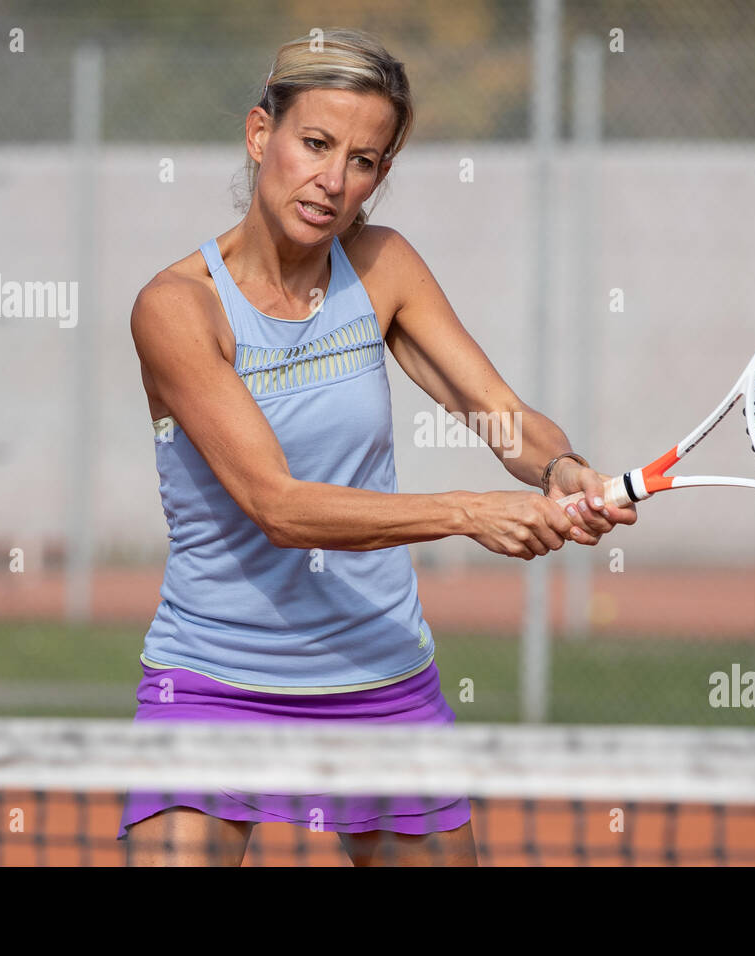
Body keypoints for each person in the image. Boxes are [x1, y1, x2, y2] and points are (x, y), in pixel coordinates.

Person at [118, 28, 636, 866]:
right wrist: (469, 512)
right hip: (213, 681)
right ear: (261, 135)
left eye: (364, 160)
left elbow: (498, 413)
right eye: (315, 144)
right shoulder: (178, 307)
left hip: (381, 680)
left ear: (381, 175)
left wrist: (562, 468)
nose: (333, 180)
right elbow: (276, 505)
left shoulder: (384, 266)